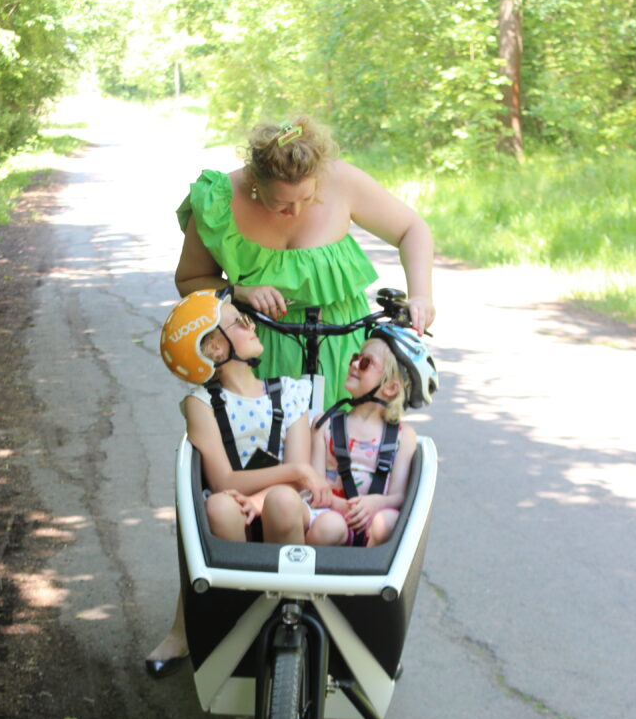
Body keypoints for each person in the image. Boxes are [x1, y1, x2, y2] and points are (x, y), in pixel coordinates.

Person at [173, 115, 435, 406]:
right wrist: (241, 292)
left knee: (346, 443)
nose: (295, 211)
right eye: (281, 202)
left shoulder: (341, 180)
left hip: (346, 351)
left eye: (307, 197)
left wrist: (421, 296)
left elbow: (412, 230)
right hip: (258, 353)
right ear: (255, 181)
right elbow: (188, 280)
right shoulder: (218, 200)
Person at [147, 290, 332, 677]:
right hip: (235, 504)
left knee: (281, 500)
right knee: (217, 504)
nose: (250, 324)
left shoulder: (290, 391)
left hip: (285, 505)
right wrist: (295, 472)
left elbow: (298, 479)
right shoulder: (201, 405)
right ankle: (235, 619)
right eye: (238, 322)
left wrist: (268, 495)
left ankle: (290, 615)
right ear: (215, 347)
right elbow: (224, 480)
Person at [306, 333, 421, 548]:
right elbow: (316, 483)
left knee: (386, 523)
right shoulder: (324, 424)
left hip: (375, 517)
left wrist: (376, 503)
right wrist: (339, 505)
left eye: (366, 362)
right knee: (328, 526)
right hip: (332, 513)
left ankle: (370, 574)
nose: (355, 364)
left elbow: (398, 495)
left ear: (390, 388)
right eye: (355, 357)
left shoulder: (403, 436)